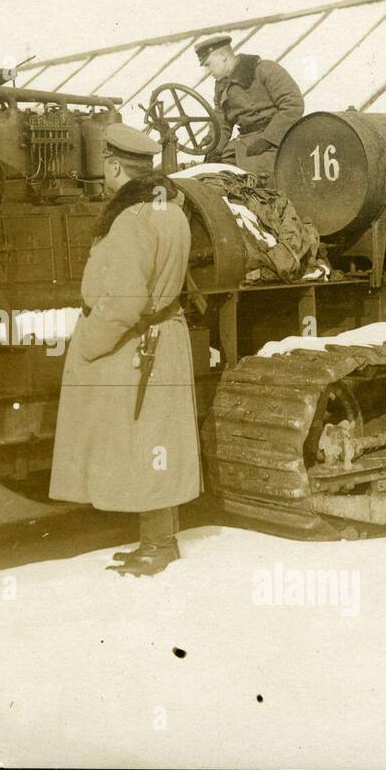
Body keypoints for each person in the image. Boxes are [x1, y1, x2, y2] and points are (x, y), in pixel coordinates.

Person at [48, 124, 200, 576]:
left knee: (144, 442)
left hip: (137, 344)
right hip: (160, 338)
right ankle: (156, 541)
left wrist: (88, 344)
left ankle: (158, 545)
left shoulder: (133, 220)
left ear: (114, 166)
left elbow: (123, 301)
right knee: (154, 442)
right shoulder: (169, 210)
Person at [195, 32, 304, 177]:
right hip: (243, 144)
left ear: (223, 55)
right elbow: (221, 122)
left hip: (275, 143)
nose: (207, 72)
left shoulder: (264, 69)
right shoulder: (221, 85)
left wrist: (267, 139)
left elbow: (293, 105)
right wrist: (215, 146)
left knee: (257, 182)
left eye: (208, 65)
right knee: (211, 173)